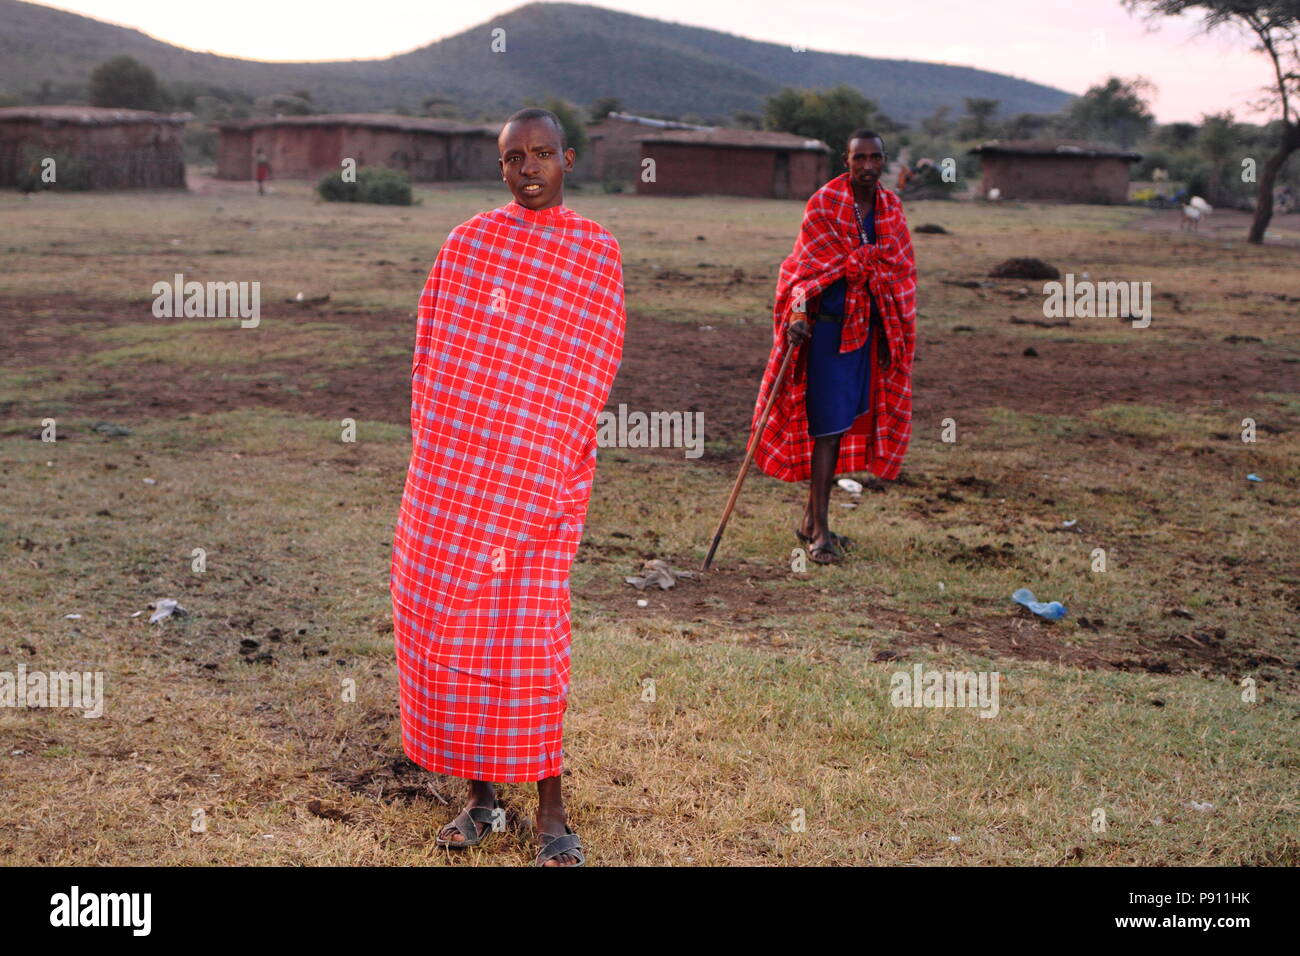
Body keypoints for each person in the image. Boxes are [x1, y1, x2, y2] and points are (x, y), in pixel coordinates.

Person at [389, 108, 626, 866]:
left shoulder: (593, 251)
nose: (530, 169)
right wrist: (446, 459)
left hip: (543, 479)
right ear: (501, 167)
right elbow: (436, 358)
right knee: (458, 628)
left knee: (529, 639)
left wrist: (544, 457)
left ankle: (551, 814)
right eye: (515, 157)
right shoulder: (468, 246)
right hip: (462, 481)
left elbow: (591, 366)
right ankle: (482, 800)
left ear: (569, 159)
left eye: (544, 155)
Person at [750, 129, 917, 564]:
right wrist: (799, 316)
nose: (867, 166)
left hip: (865, 335)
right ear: (846, 161)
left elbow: (899, 271)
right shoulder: (824, 204)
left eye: (875, 158)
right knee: (826, 430)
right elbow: (802, 272)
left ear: (885, 161)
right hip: (825, 333)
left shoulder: (891, 208)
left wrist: (890, 330)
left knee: (840, 426)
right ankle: (820, 532)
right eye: (858, 158)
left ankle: (810, 520)